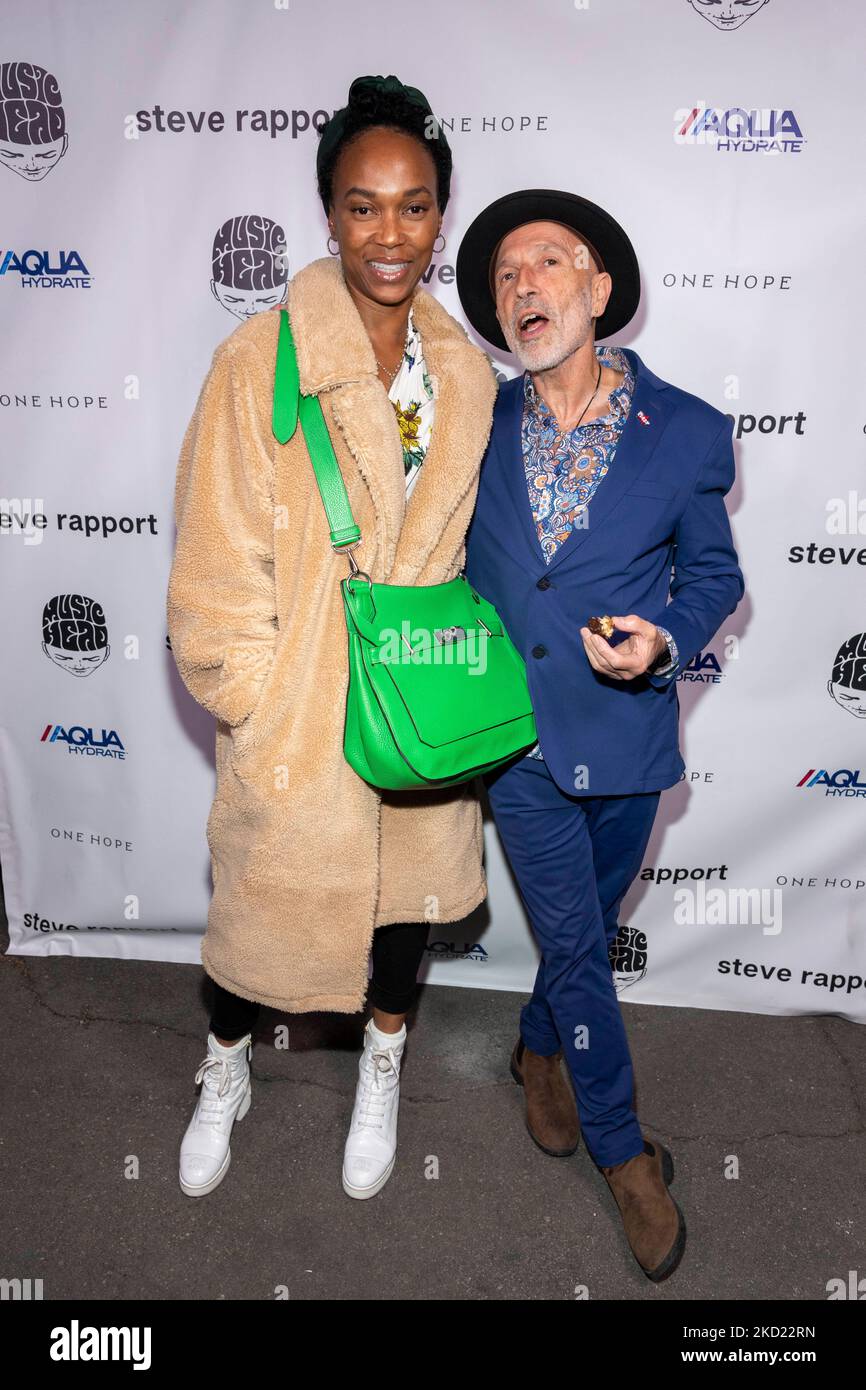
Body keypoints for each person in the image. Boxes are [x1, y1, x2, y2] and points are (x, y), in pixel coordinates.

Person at [166, 74, 497, 1201]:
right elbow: (214, 557)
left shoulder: (466, 377)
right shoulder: (258, 362)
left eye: (411, 205)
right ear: (329, 214)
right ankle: (223, 1069)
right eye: (363, 205)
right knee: (253, 923)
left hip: (415, 702)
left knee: (400, 919)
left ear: (440, 215)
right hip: (298, 714)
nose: (388, 232)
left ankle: (383, 1067)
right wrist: (249, 698)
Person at [455, 189, 745, 1281]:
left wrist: (663, 641)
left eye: (546, 263)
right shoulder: (468, 423)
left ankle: (536, 1046)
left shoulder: (681, 432)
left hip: (624, 738)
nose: (522, 284)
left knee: (580, 935)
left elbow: (712, 575)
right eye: (502, 276)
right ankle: (625, 1155)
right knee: (579, 946)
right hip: (514, 739)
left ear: (598, 289)